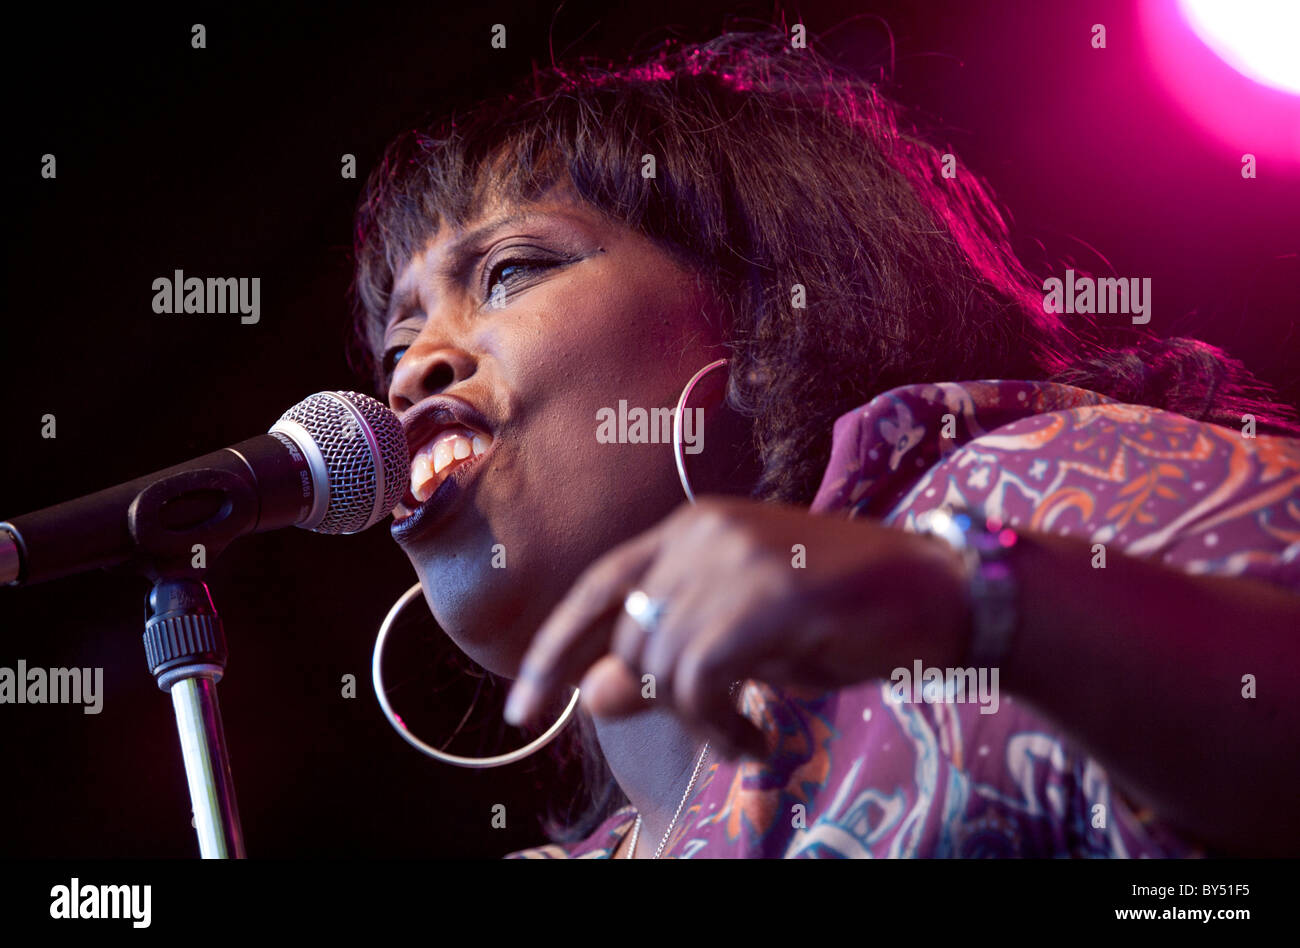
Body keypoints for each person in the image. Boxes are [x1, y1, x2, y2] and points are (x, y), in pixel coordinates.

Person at [349, 31, 1300, 857]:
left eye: (513, 272)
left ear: (761, 327)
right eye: (396, 342)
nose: (412, 370)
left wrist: (975, 603)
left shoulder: (1037, 490)